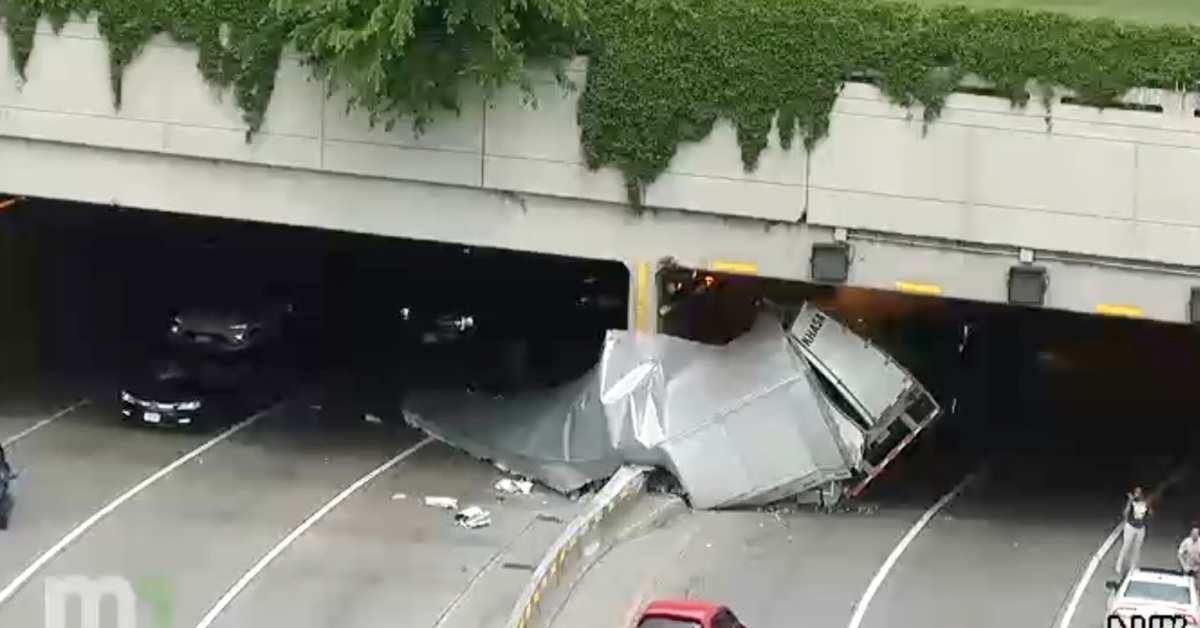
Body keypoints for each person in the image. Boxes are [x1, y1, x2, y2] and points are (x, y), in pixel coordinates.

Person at [1116, 486, 1152, 579]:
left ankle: (1133, 567)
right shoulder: (1132, 502)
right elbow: (1125, 513)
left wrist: (1149, 505)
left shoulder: (1145, 503)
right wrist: (1129, 501)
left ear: (1142, 494)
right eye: (1136, 493)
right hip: (1130, 527)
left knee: (1137, 549)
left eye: (1139, 493)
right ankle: (1119, 565)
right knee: (1126, 546)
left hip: (1140, 528)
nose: (1137, 494)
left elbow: (1150, 514)